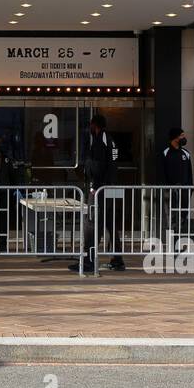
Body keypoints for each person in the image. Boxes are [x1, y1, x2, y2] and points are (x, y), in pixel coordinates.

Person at [81, 114, 125, 273]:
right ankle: (118, 260)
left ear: (95, 125)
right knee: (111, 225)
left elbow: (98, 168)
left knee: (93, 224)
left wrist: (87, 162)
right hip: (111, 188)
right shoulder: (111, 140)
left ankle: (90, 260)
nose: (90, 129)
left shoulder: (101, 141)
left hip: (101, 189)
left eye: (91, 125)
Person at [161, 126, 194, 237]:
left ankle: (179, 237)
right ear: (175, 138)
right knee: (171, 215)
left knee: (183, 214)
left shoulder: (186, 153)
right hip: (170, 190)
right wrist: (166, 188)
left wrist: (190, 189)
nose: (184, 138)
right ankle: (170, 238)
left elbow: (190, 174)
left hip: (184, 190)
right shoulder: (165, 153)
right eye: (182, 136)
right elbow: (162, 173)